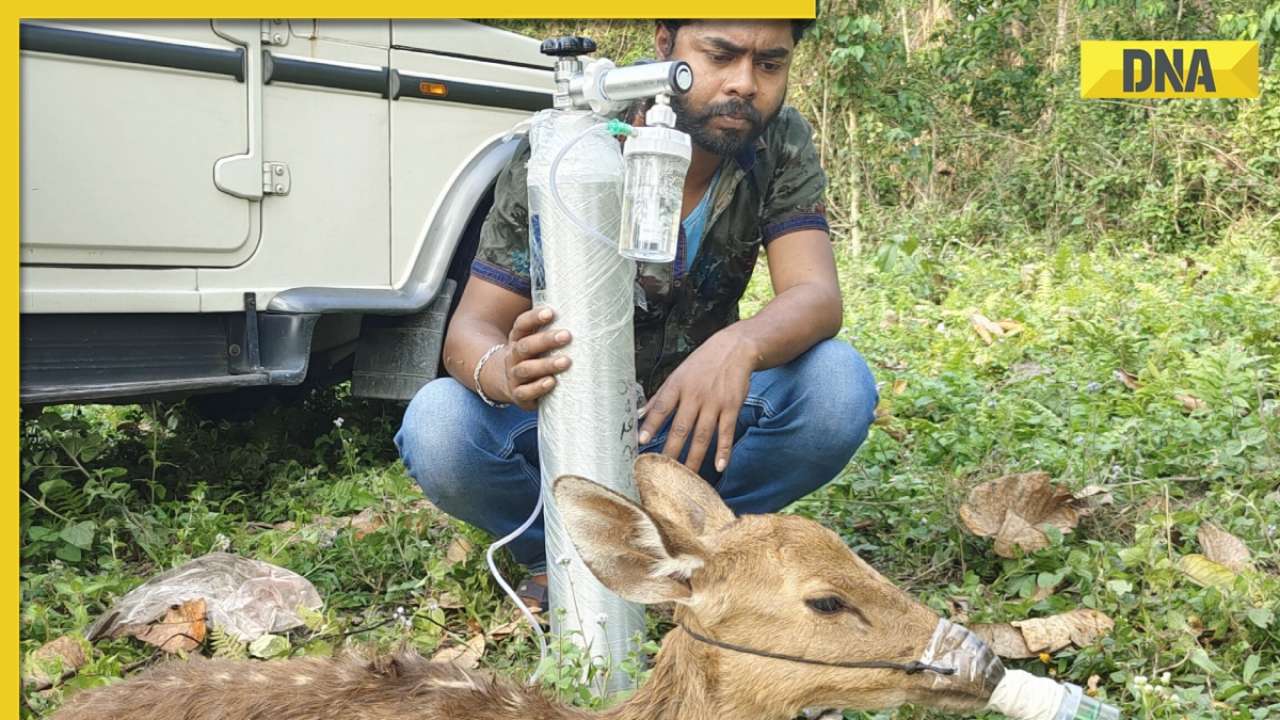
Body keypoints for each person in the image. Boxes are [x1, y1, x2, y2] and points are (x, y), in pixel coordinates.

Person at [395, 19, 879, 608]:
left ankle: (715, 554)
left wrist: (737, 346)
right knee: (439, 424)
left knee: (837, 386)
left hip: (696, 426)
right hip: (571, 425)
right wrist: (505, 371)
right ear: (663, 44)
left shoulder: (777, 141)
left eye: (770, 64)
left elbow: (815, 295)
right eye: (721, 55)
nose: (745, 83)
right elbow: (472, 329)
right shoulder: (572, 142)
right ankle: (567, 556)